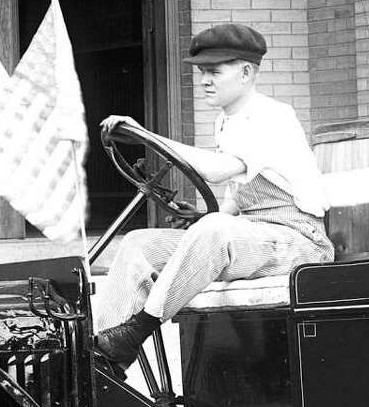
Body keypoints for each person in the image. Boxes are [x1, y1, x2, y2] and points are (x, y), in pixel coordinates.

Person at [92, 23, 332, 371]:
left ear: (247, 72)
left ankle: (134, 333)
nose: (204, 80)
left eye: (214, 72)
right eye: (202, 72)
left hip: (298, 240)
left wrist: (146, 136)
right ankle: (101, 356)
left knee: (216, 229)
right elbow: (236, 195)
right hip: (255, 236)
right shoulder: (226, 121)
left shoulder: (272, 115)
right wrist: (203, 216)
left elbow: (219, 170)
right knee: (139, 244)